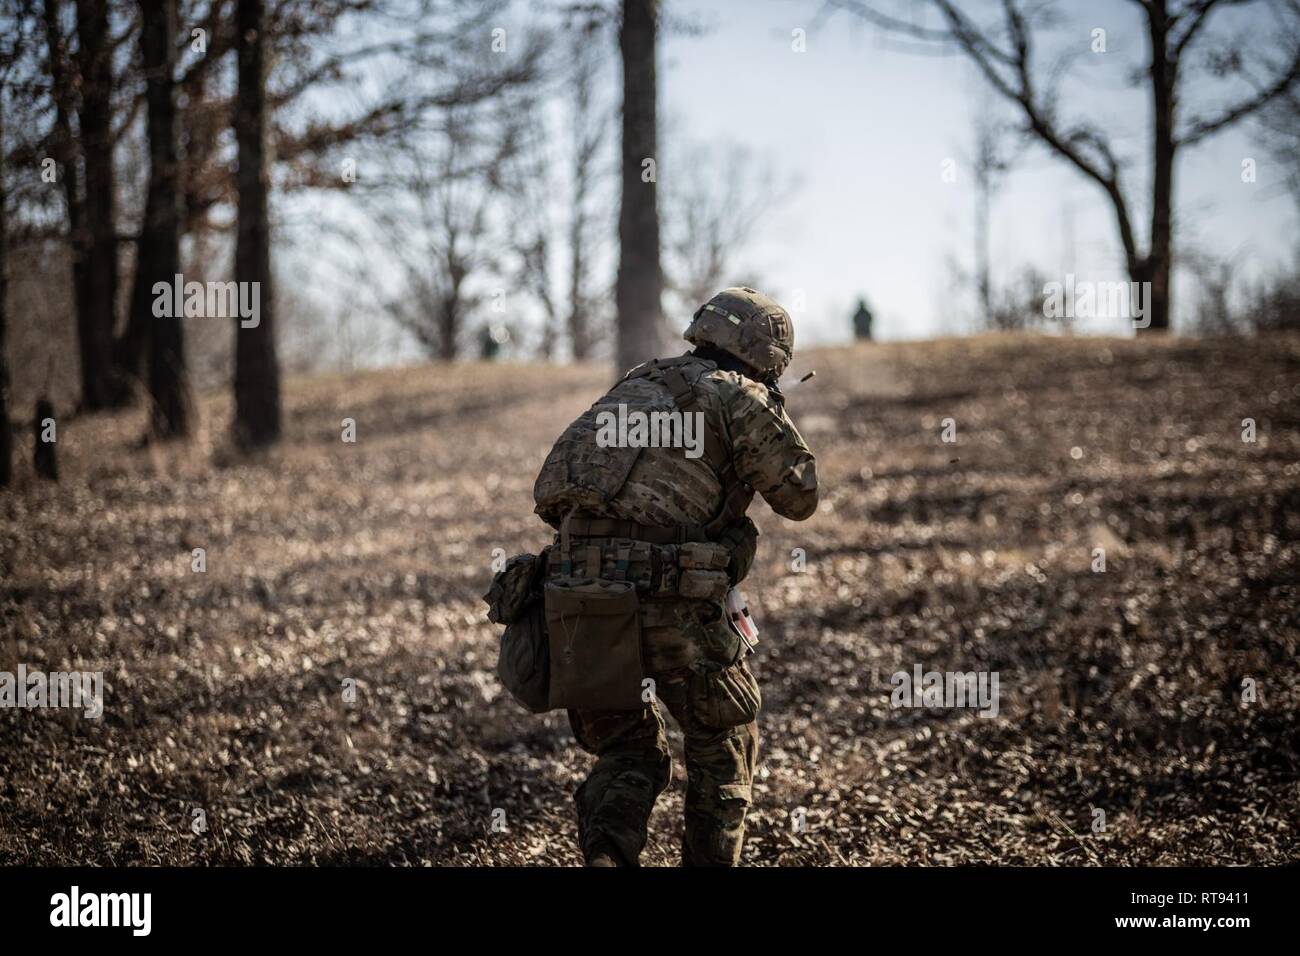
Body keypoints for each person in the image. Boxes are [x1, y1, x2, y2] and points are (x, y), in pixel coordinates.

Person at [532, 287, 819, 866]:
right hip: (674, 603)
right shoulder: (739, 396)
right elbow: (799, 496)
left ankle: (607, 855)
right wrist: (772, 412)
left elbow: (556, 497)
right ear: (769, 355)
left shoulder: (636, 383)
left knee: (628, 751)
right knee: (723, 745)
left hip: (578, 602)